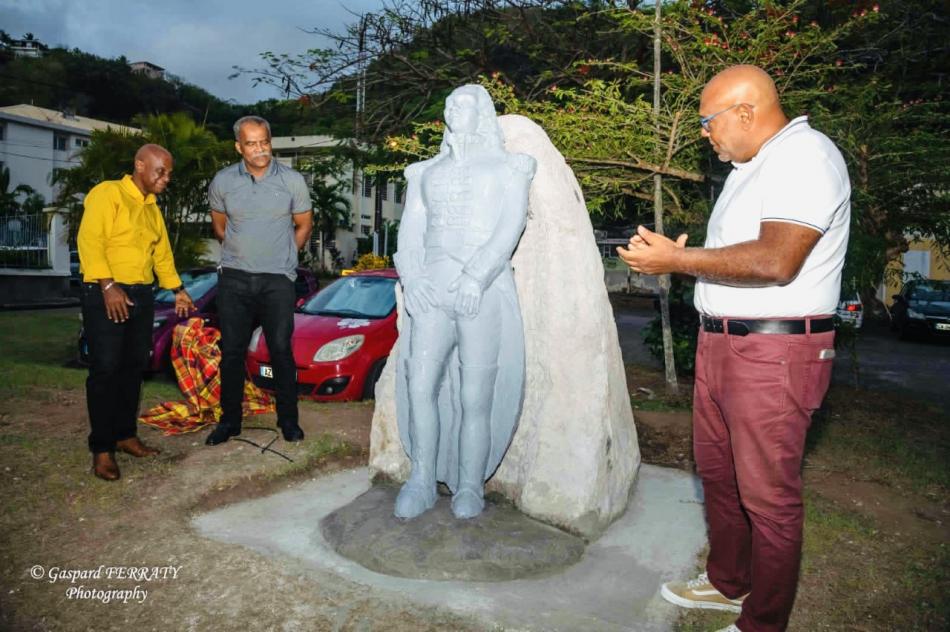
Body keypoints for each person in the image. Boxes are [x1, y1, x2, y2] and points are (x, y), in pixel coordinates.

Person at [617, 65, 850, 632]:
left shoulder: (806, 156)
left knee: (767, 496)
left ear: (746, 112)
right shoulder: (752, 168)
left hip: (774, 353)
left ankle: (763, 623)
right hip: (723, 346)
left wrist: (678, 262)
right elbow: (741, 257)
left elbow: (776, 260)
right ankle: (728, 584)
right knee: (719, 475)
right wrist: (688, 257)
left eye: (708, 120)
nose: (704, 132)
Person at [393, 84, 536, 520]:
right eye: (449, 102)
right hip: (433, 289)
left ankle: (470, 486)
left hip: (480, 290)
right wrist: (413, 277)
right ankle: (421, 478)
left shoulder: (510, 167)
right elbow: (410, 230)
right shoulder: (425, 172)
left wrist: (477, 276)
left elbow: (509, 225)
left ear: (483, 114)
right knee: (420, 385)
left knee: (476, 395)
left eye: (464, 104)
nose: (453, 108)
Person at [77, 144, 195, 481]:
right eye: (161, 171)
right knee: (106, 368)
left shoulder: (152, 208)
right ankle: (102, 449)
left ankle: (126, 435)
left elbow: (162, 255)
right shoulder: (108, 193)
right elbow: (90, 240)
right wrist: (108, 285)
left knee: (133, 367)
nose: (166, 178)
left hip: (142, 294)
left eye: (169, 173)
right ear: (139, 165)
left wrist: (177, 290)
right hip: (106, 291)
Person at [205, 116, 313, 446]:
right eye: (251, 143)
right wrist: (244, 253)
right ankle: (229, 422)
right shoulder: (223, 182)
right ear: (239, 147)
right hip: (234, 280)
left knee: (281, 350)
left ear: (271, 141)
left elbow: (304, 225)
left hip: (277, 281)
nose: (260, 149)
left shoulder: (292, 181)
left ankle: (289, 421)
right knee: (233, 353)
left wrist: (284, 258)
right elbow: (220, 228)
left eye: (264, 141)